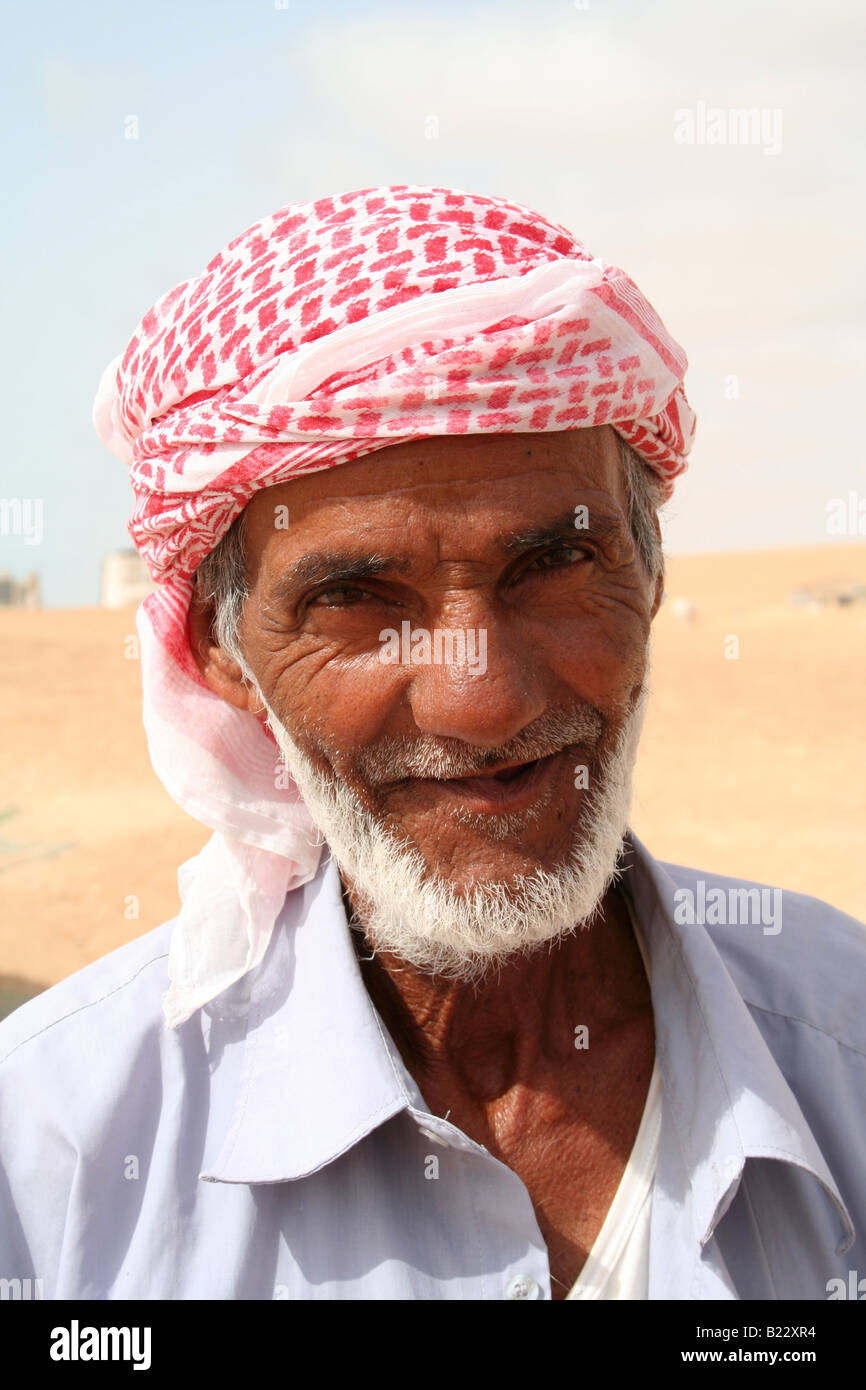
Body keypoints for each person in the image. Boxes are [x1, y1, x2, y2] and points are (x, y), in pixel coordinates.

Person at [0, 186, 862, 1301]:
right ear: (223, 651)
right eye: (354, 598)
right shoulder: (53, 1155)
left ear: (649, 577)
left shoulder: (841, 1038)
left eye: (553, 564)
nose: (482, 702)